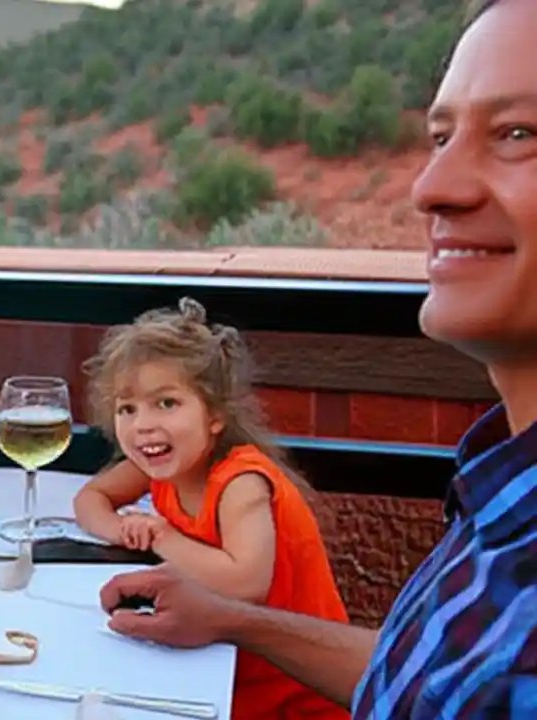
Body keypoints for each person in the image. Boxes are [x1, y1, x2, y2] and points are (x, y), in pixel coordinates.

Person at [99, 1, 537, 717]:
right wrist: (235, 620)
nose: (431, 187)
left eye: (519, 134)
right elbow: (426, 678)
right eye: (439, 136)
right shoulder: (503, 483)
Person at [73, 297, 348, 720]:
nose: (143, 423)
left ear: (215, 415)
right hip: (220, 660)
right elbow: (90, 499)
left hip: (292, 689)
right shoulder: (165, 463)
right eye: (127, 409)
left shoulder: (240, 481)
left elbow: (245, 582)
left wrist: (161, 535)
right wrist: (122, 528)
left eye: (166, 403)